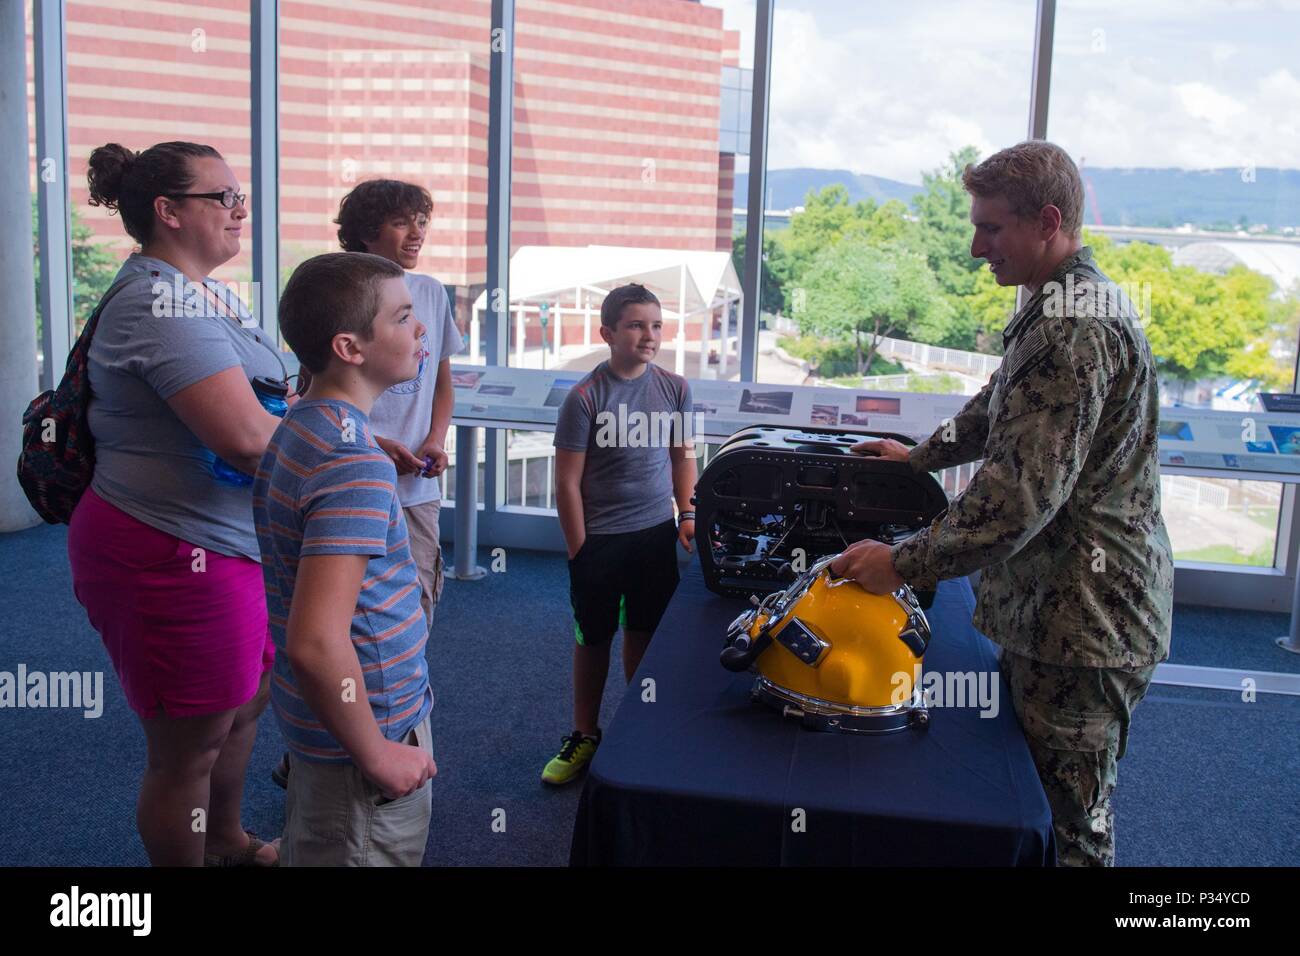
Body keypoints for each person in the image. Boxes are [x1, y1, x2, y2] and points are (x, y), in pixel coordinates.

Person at [831, 141, 1173, 867]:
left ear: (1047, 221)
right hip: (1058, 612)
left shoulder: (1072, 327)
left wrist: (900, 563)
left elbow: (1017, 502)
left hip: (1086, 623)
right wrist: (919, 457)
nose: (974, 245)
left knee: (1067, 831)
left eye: (990, 227)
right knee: (1033, 809)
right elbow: (1000, 405)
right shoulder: (1055, 300)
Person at [66, 141, 287, 866]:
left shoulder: (198, 292)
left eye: (239, 196)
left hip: (226, 540)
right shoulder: (158, 304)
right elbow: (250, 440)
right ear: (168, 212)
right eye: (224, 197)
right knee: (185, 751)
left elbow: (265, 402)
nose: (240, 210)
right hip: (166, 548)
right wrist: (355, 450)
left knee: (244, 705)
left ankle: (223, 839)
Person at [255, 252, 438, 866]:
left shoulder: (302, 424)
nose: (420, 331)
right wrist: (377, 754)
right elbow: (314, 641)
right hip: (366, 732)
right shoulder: (351, 460)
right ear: (350, 347)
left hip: (326, 728)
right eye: (403, 317)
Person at [541, 283, 697, 785]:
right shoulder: (585, 396)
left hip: (654, 534)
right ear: (608, 333)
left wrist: (687, 514)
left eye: (655, 325)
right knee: (593, 638)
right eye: (635, 325)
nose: (648, 335)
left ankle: (638, 725)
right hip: (599, 541)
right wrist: (578, 549)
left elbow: (682, 456)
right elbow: (566, 481)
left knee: (645, 632)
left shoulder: (675, 388)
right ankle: (584, 733)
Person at [335, 179, 463, 627]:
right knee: (355, 604)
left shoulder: (430, 292)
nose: (416, 233)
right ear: (367, 232)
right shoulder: (338, 291)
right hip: (353, 476)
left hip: (417, 486)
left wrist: (435, 439)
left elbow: (443, 382)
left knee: (419, 596)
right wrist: (377, 443)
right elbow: (312, 393)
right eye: (399, 222)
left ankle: (405, 690)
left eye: (421, 221)